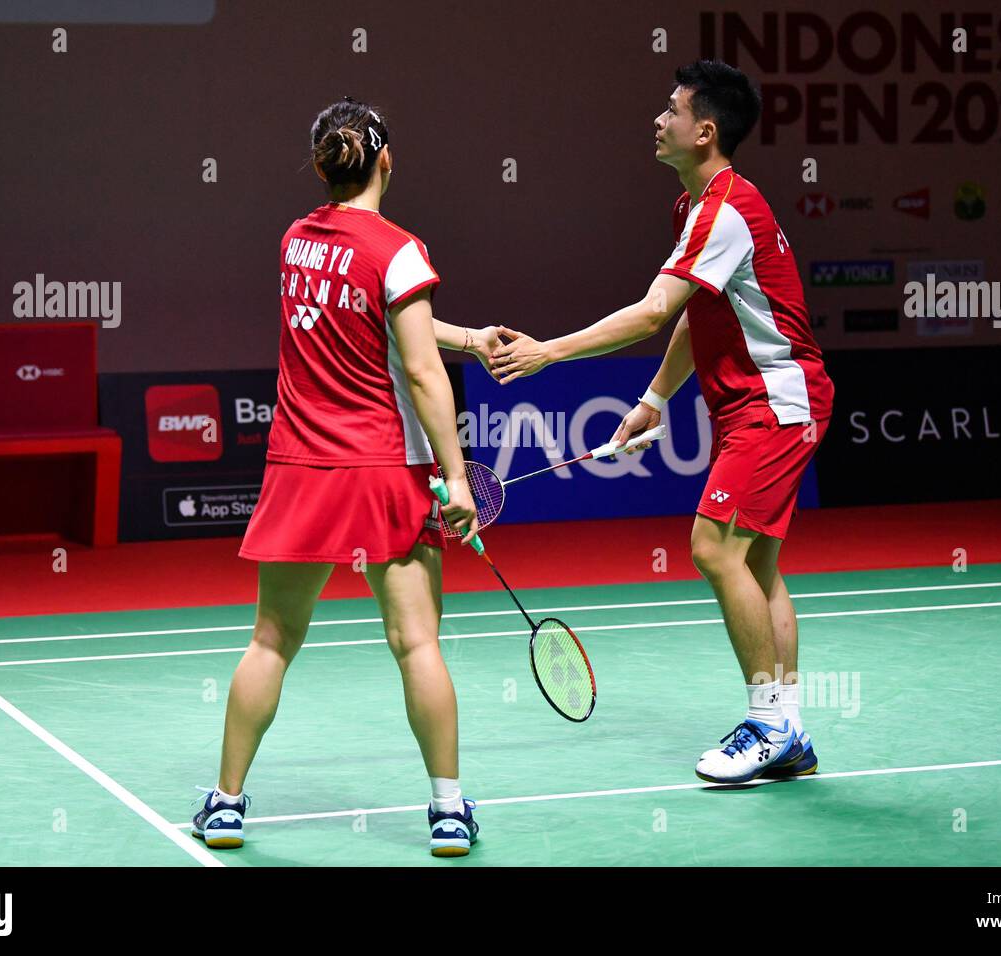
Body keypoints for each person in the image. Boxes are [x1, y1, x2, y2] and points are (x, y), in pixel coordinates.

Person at [489, 61, 834, 785]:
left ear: (705, 131)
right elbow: (691, 313)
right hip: (756, 404)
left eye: (671, 110)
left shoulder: (725, 209)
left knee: (712, 547)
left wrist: (551, 352)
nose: (658, 119)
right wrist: (655, 396)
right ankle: (790, 730)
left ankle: (768, 722)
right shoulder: (695, 209)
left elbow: (651, 311)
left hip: (776, 404)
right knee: (758, 567)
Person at [193, 97, 497, 856]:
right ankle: (449, 811)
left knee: (270, 640)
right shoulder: (400, 250)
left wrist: (470, 338)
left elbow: (376, 319)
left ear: (327, 163)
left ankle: (226, 805)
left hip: (300, 467)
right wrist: (457, 479)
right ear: (385, 160)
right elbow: (420, 370)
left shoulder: (296, 241)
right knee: (418, 644)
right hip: (383, 469)